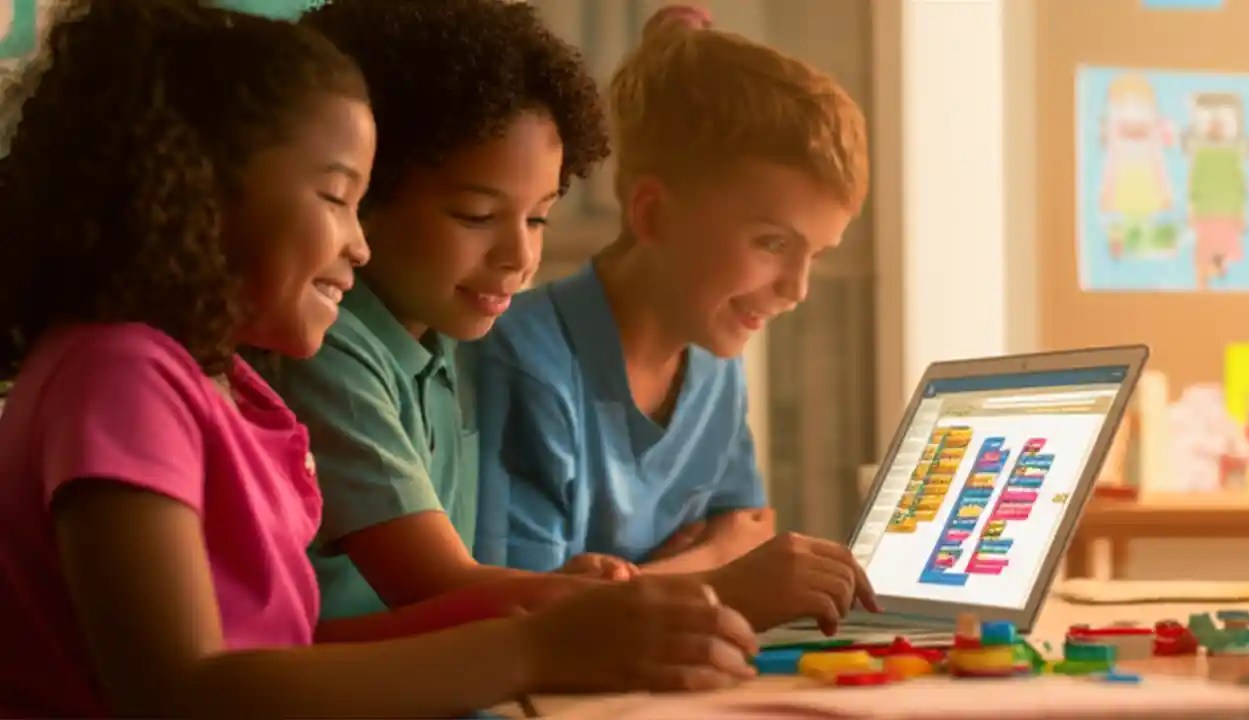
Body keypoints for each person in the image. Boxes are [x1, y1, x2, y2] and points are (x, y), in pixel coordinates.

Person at [0, 2, 755, 716]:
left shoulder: (230, 390)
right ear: (195, 194)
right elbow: (181, 691)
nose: (357, 245)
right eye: (337, 200)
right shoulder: (120, 376)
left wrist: (532, 608)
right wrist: (527, 648)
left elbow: (292, 652)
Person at [471, 7, 877, 634]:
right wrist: (716, 575)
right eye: (771, 243)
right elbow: (529, 615)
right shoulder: (527, 362)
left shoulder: (716, 363)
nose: (796, 290)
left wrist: (644, 582)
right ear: (654, 216)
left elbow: (750, 533)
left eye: (815, 256)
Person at [253, 0, 635, 635]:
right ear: (363, 197)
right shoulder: (325, 347)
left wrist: (560, 589)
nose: (520, 255)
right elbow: (433, 586)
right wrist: (706, 595)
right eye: (476, 217)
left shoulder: (440, 342)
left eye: (538, 217)